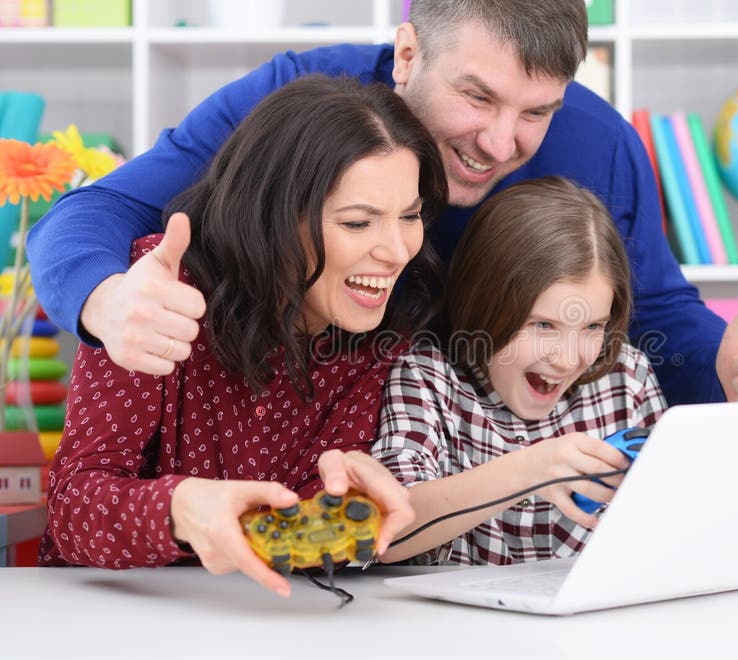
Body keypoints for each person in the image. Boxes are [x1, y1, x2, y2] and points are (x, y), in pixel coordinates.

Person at [26, 0, 738, 408]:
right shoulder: (293, 106)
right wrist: (103, 298)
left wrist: (725, 367)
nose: (501, 143)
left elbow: (658, 313)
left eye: (537, 112)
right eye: (477, 96)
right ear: (406, 54)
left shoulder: (600, 144)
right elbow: (93, 214)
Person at [38, 74, 449, 597]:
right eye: (358, 223)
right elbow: (74, 510)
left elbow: (311, 523)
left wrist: (349, 507)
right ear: (276, 217)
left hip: (267, 620)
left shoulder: (380, 326)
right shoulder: (159, 292)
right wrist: (179, 510)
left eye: (409, 216)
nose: (396, 251)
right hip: (108, 615)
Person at [371, 177, 738, 565]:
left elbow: (680, 526)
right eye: (542, 325)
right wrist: (530, 470)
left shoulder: (626, 378)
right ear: (484, 304)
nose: (568, 359)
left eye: (592, 327)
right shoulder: (427, 378)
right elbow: (389, 532)